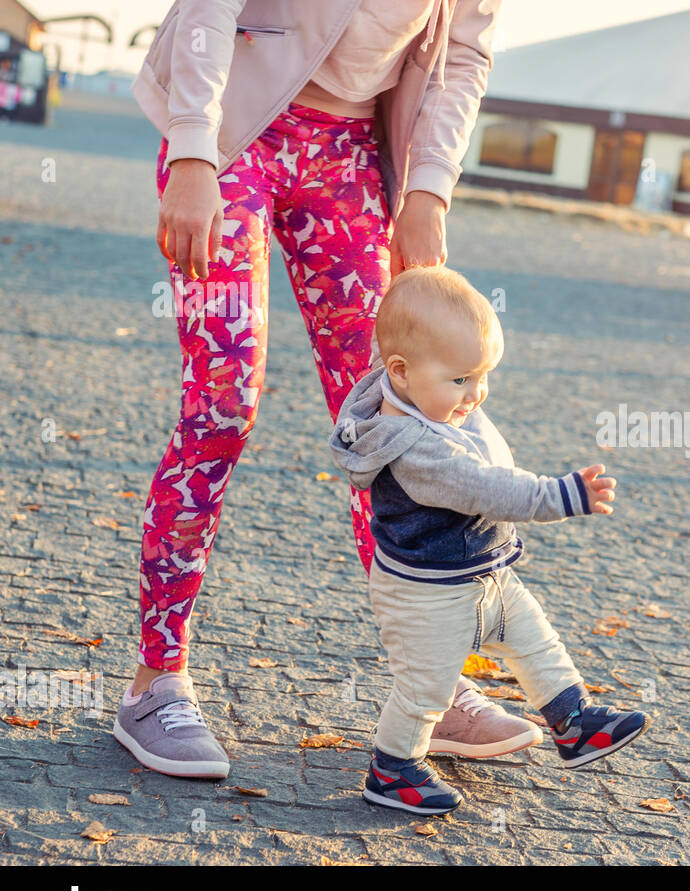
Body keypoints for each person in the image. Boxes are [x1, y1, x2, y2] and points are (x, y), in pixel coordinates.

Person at [113, 0, 534, 780]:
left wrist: (427, 192)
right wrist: (195, 153)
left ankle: (432, 687)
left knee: (406, 417)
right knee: (222, 406)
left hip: (349, 154)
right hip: (235, 126)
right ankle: (154, 680)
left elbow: (465, 52)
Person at [328, 266, 648, 814]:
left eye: (482, 377)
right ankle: (392, 768)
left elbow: (443, 380)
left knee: (536, 641)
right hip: (427, 596)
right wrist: (562, 495)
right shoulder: (416, 448)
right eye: (461, 380)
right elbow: (488, 487)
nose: (475, 394)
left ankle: (572, 722)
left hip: (484, 573)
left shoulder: (423, 393)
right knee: (425, 691)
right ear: (399, 373)